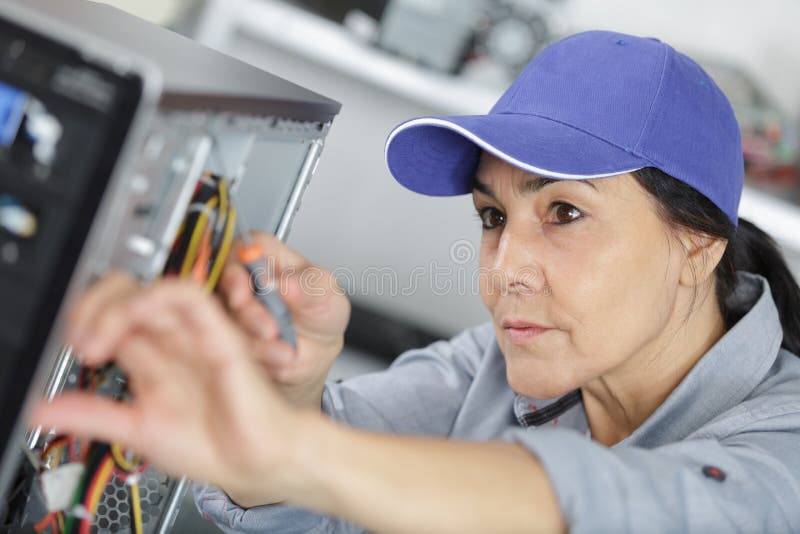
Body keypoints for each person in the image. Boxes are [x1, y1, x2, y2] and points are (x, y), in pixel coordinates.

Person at [33, 30, 800, 533]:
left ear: (697, 247)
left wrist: (292, 447)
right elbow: (316, 490)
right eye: (493, 216)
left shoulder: (784, 445)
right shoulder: (493, 366)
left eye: (564, 212)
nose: (505, 272)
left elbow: (625, 512)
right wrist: (293, 390)